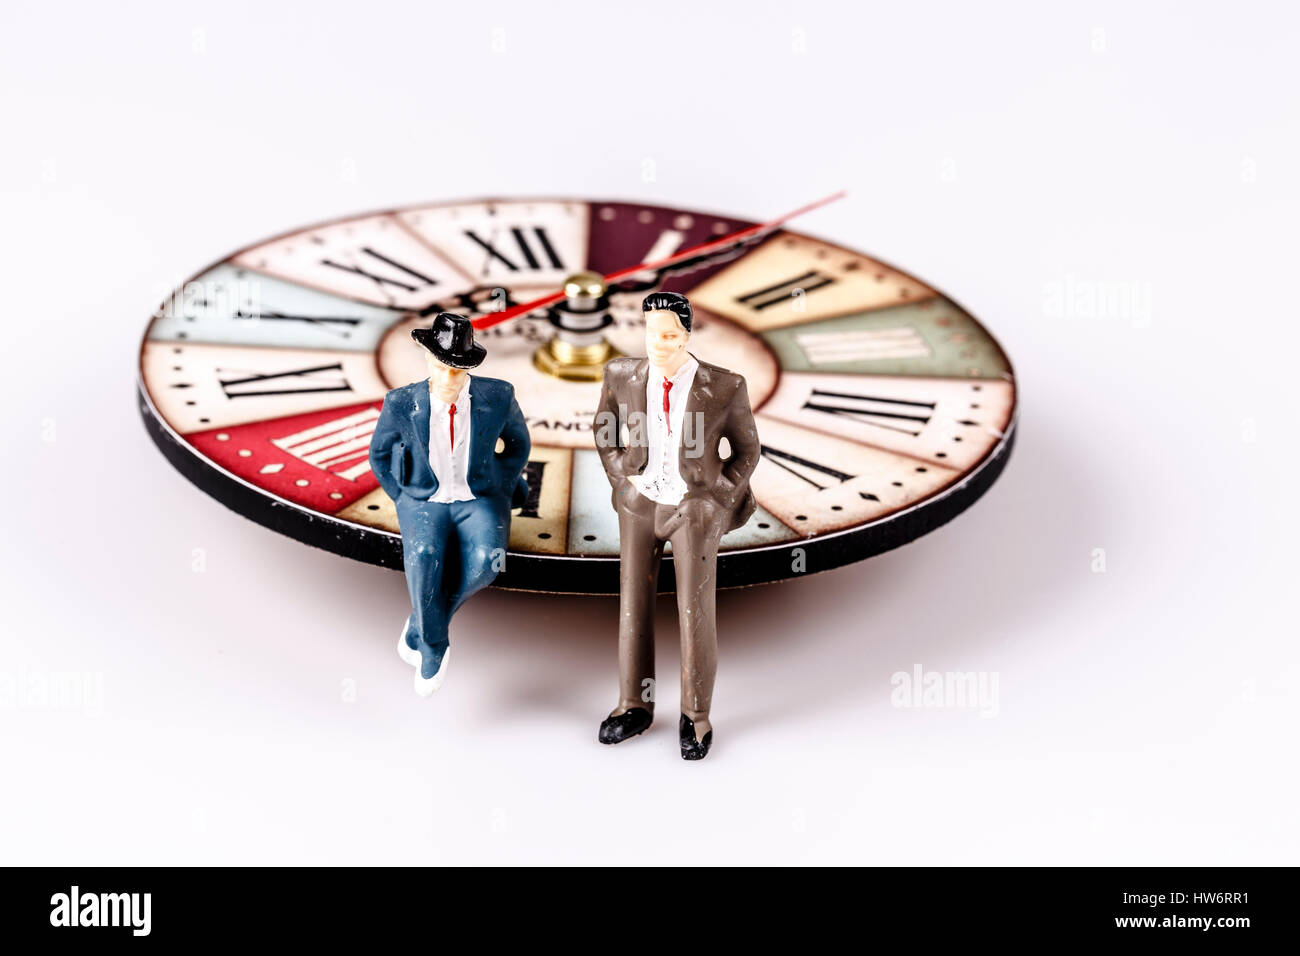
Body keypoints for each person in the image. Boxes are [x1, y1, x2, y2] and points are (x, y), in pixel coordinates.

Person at [368, 312, 530, 695]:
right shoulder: (401, 402)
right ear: (428, 360)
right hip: (423, 497)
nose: (447, 379)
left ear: (469, 368)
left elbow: (518, 443)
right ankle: (434, 645)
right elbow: (379, 453)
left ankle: (422, 621)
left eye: (456, 371)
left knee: (488, 564)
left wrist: (503, 487)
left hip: (478, 496)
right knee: (423, 554)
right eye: (441, 368)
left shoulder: (498, 395)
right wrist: (401, 495)